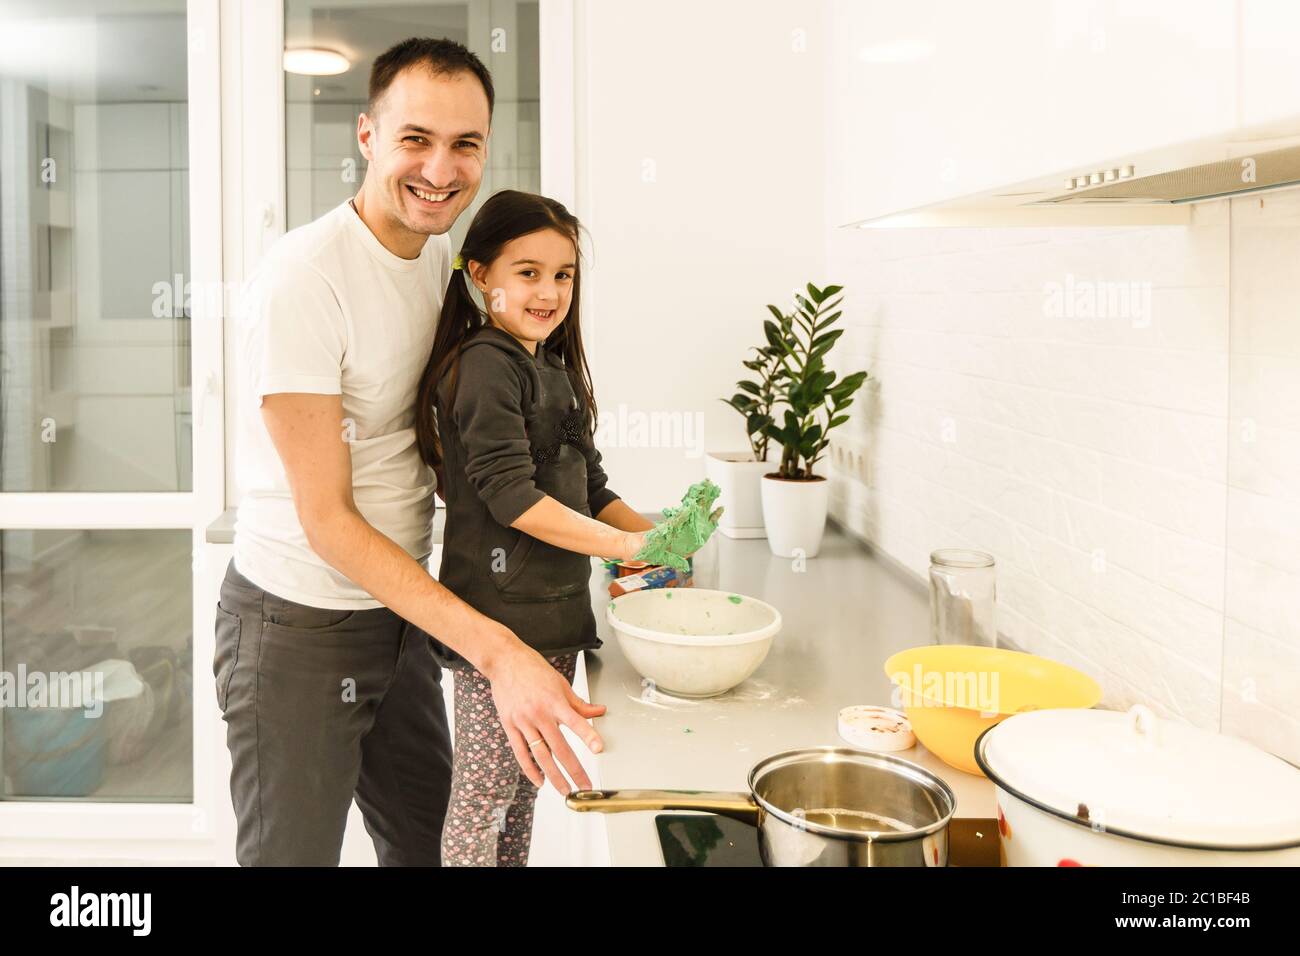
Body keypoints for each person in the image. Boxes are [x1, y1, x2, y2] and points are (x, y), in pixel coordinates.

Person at [214, 37, 608, 867]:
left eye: (465, 144)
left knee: (436, 848)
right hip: (298, 622)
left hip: (402, 610)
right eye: (415, 139)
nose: (441, 168)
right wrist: (500, 651)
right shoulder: (303, 281)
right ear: (366, 136)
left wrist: (620, 533)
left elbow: (500, 435)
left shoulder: (444, 265)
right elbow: (327, 522)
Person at [414, 190, 656, 865]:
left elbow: (593, 487)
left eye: (563, 274)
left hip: (553, 626)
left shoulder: (551, 367)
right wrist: (625, 547)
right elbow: (511, 498)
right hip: (497, 631)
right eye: (527, 272)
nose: (549, 291)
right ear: (479, 275)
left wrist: (663, 544)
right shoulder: (484, 364)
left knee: (516, 800)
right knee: (481, 810)